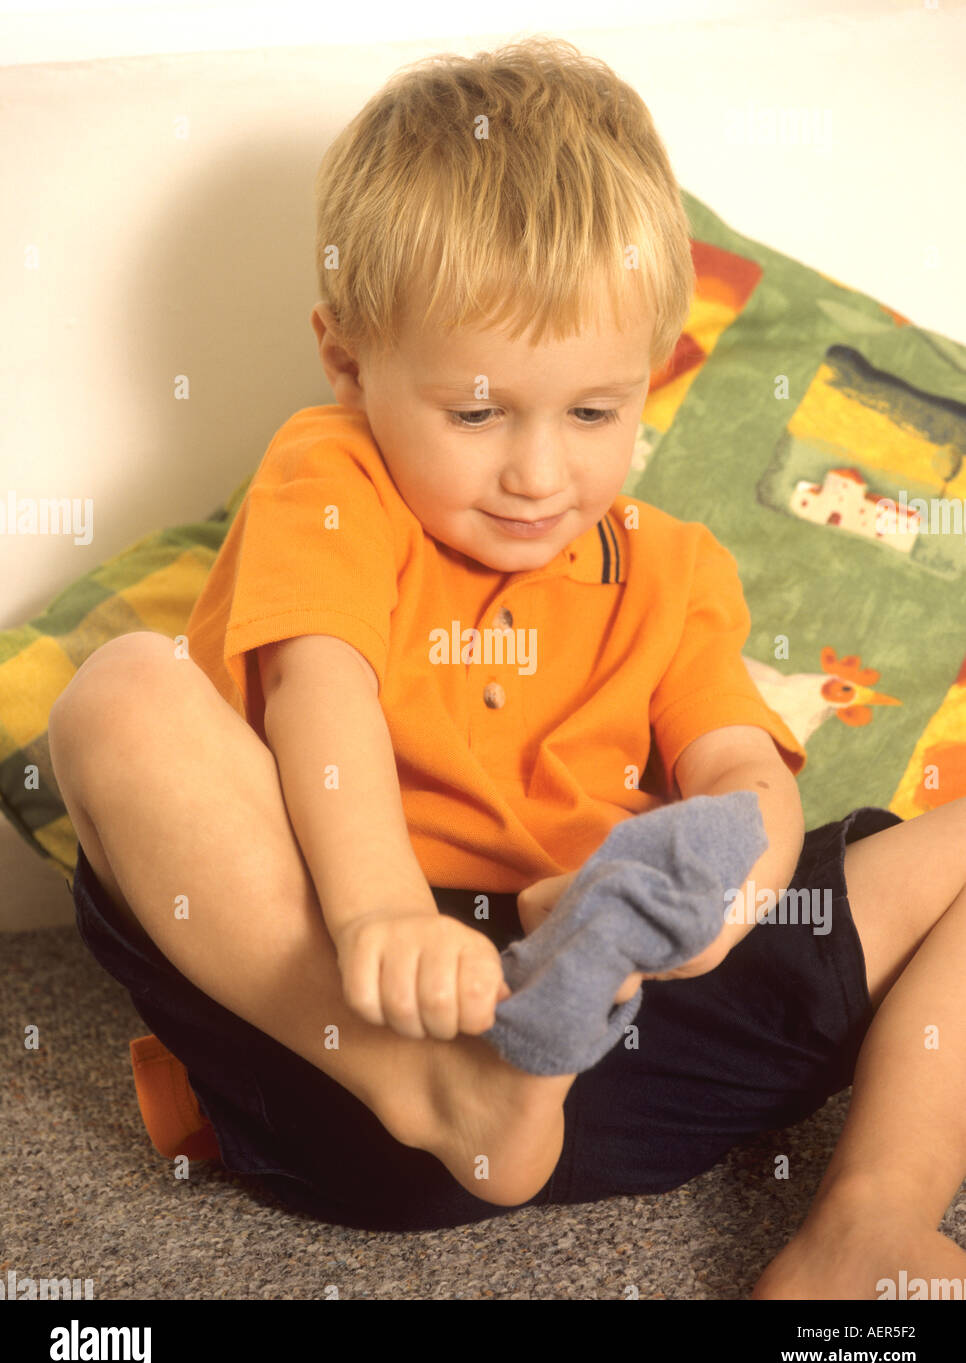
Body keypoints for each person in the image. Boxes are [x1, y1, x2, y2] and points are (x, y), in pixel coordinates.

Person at [48, 36, 966, 1298]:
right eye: (478, 413)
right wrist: (380, 916)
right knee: (118, 695)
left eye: (592, 413)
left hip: (627, 1017)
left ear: (651, 377)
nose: (539, 473)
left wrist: (717, 903)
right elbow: (321, 687)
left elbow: (744, 773)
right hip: (367, 1034)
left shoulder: (674, 568)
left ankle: (872, 1217)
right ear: (348, 361)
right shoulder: (332, 476)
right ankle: (447, 1084)